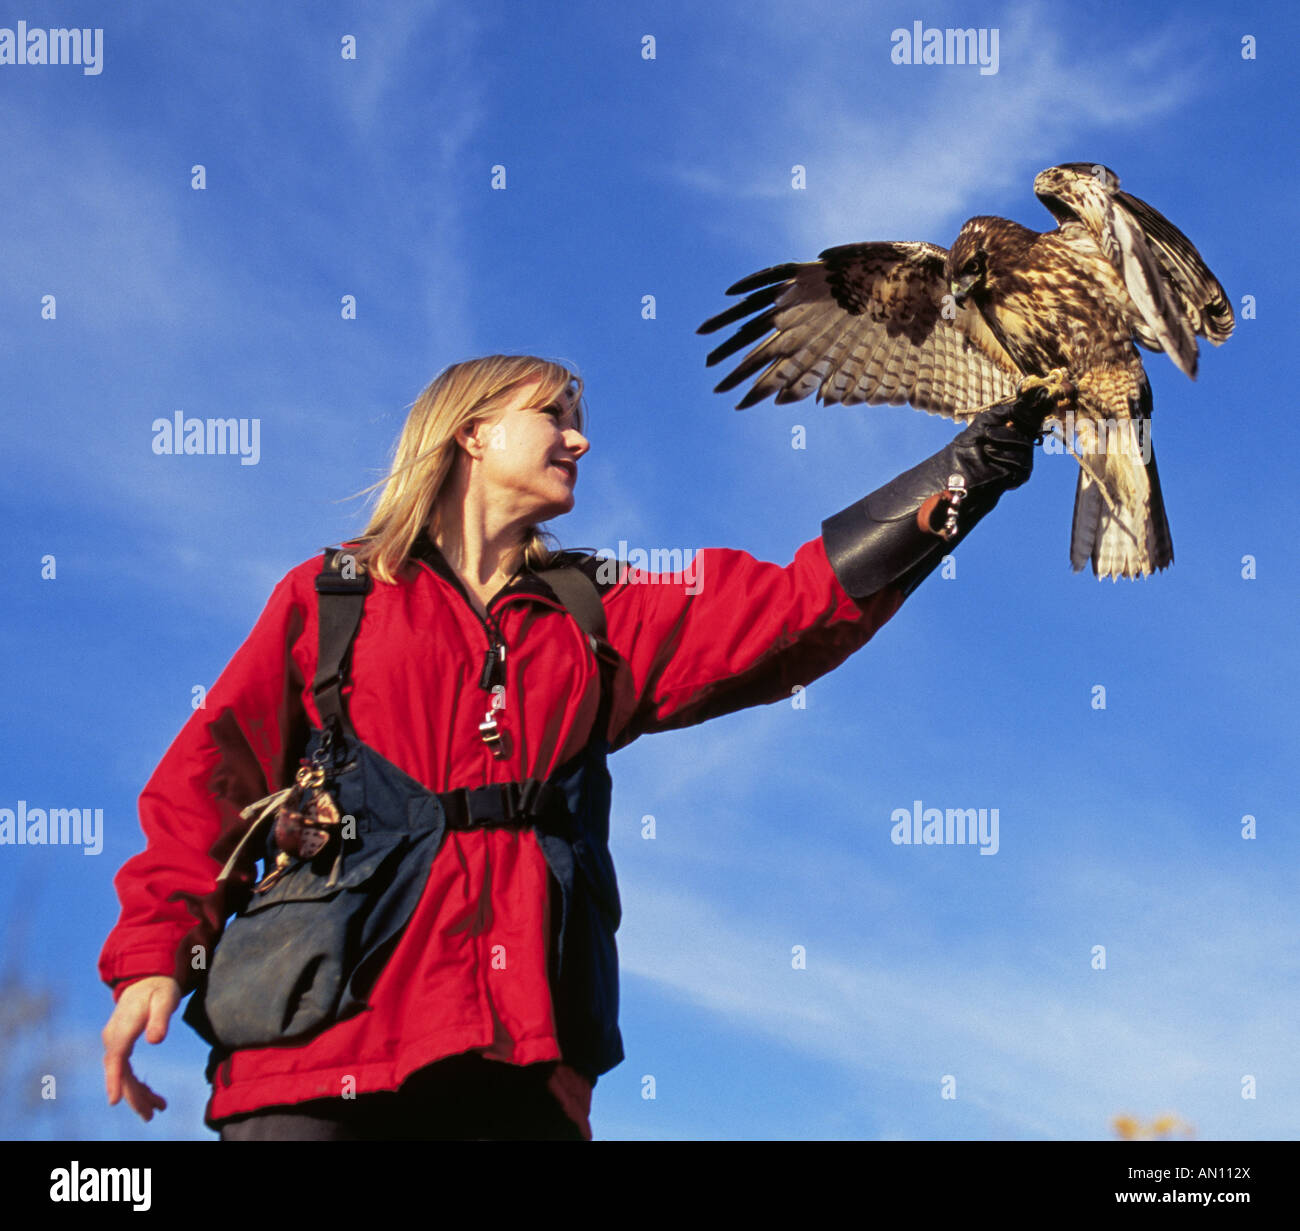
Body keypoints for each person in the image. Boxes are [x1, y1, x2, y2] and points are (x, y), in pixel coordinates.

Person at [99, 353, 1063, 1141]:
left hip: (521, 1066)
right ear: (471, 433)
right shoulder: (335, 597)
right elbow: (208, 779)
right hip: (320, 1060)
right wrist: (157, 954)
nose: (580, 436)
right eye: (553, 414)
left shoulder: (595, 610)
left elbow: (789, 610)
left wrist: (957, 484)